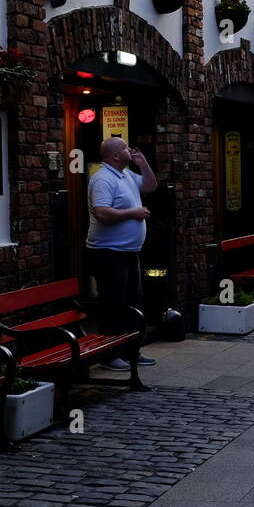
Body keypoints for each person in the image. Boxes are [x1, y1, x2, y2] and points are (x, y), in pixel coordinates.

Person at [86, 136, 158, 370]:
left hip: (128, 251)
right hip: (108, 253)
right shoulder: (103, 179)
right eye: (126, 147)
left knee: (131, 302)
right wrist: (132, 213)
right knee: (113, 303)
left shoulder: (126, 175)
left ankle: (131, 351)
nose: (131, 149)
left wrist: (144, 164)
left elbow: (150, 187)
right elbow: (102, 213)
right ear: (115, 155)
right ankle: (110, 354)